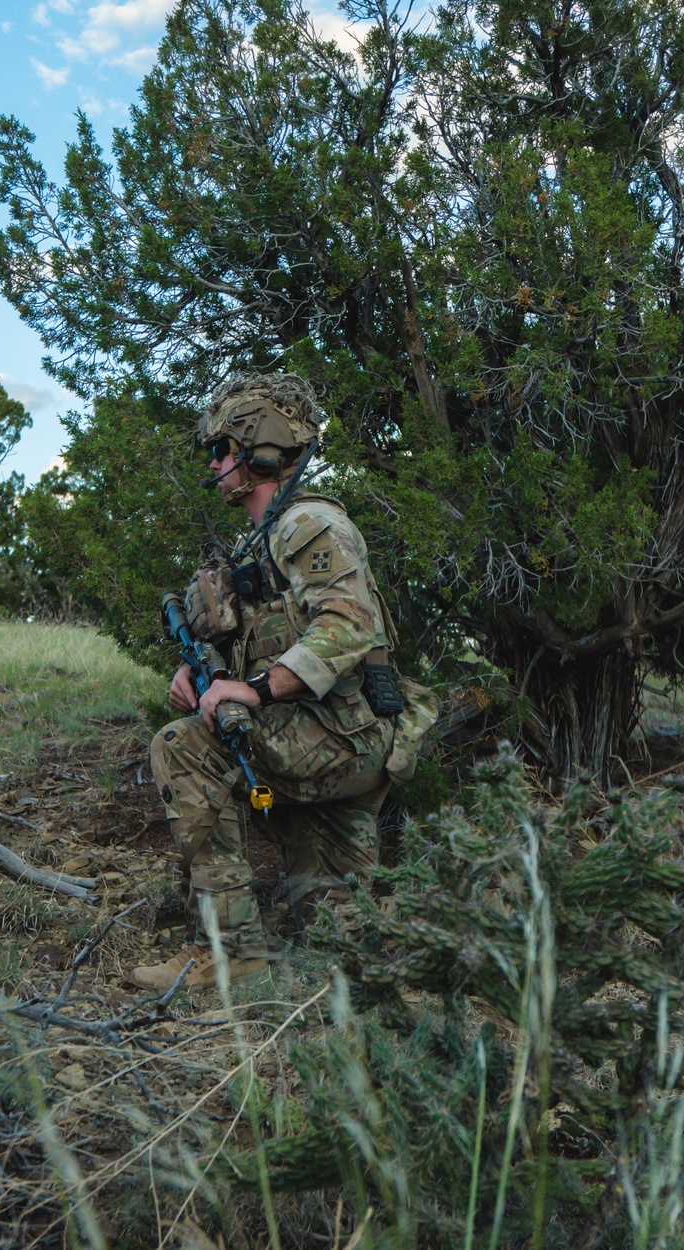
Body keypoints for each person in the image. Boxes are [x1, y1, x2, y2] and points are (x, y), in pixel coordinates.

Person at [130, 373, 438, 994]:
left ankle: (235, 952)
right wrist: (201, 672)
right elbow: (268, 633)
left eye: (220, 448)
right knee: (338, 943)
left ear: (257, 452)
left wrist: (256, 691)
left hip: (342, 737)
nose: (213, 463)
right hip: (334, 736)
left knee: (182, 746)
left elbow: (348, 625)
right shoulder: (264, 539)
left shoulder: (307, 525)